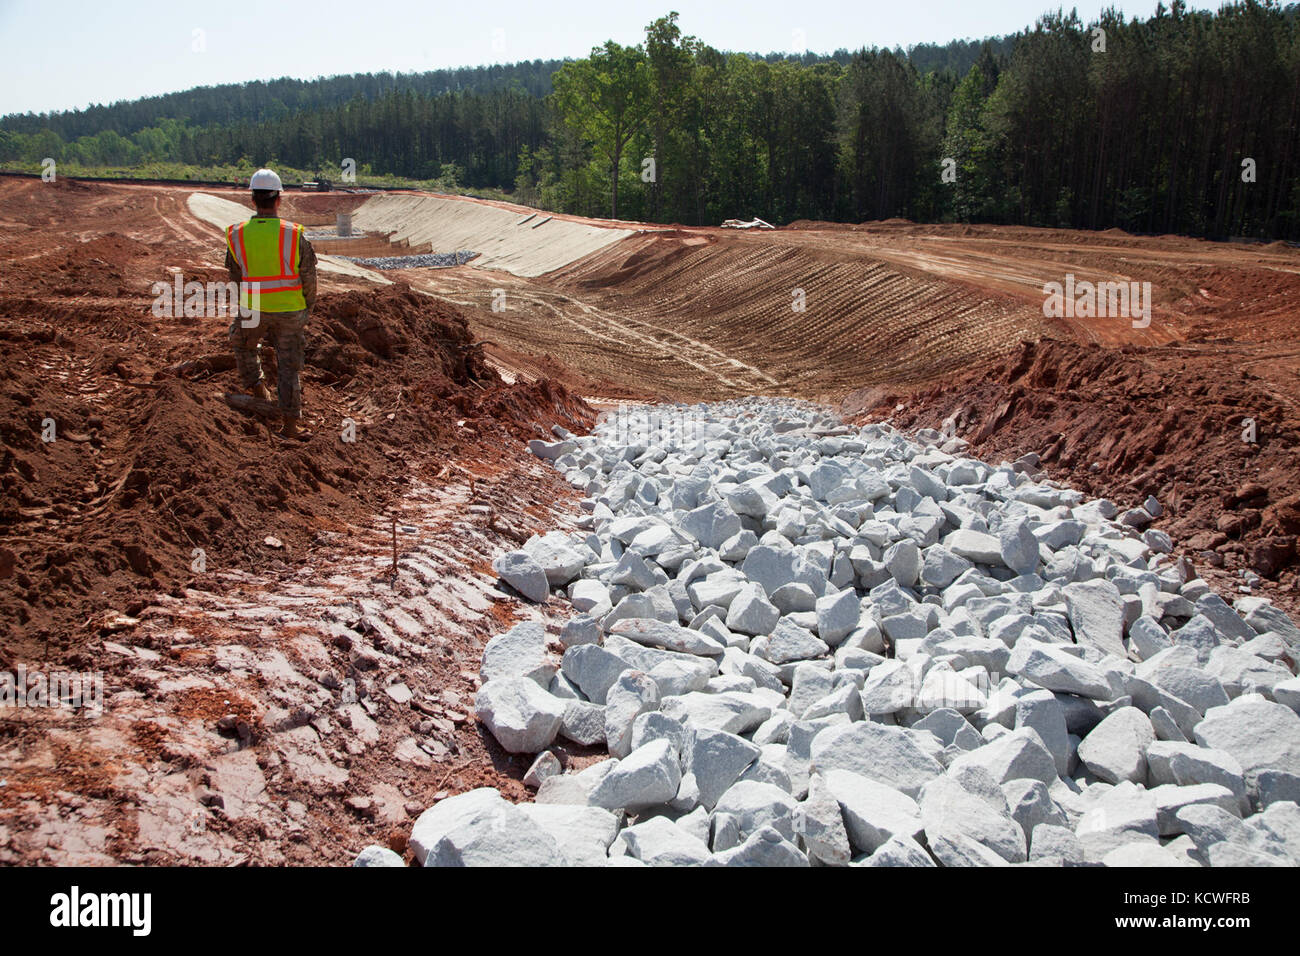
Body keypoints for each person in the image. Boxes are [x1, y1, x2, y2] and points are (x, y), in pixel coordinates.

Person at [225, 168, 317, 440]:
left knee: (243, 344)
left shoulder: (237, 235)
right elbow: (309, 277)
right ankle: (290, 425)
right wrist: (306, 310)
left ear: (252, 200)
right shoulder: (293, 234)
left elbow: (235, 277)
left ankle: (258, 390)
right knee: (289, 366)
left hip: (253, 309)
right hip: (290, 311)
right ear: (279, 200)